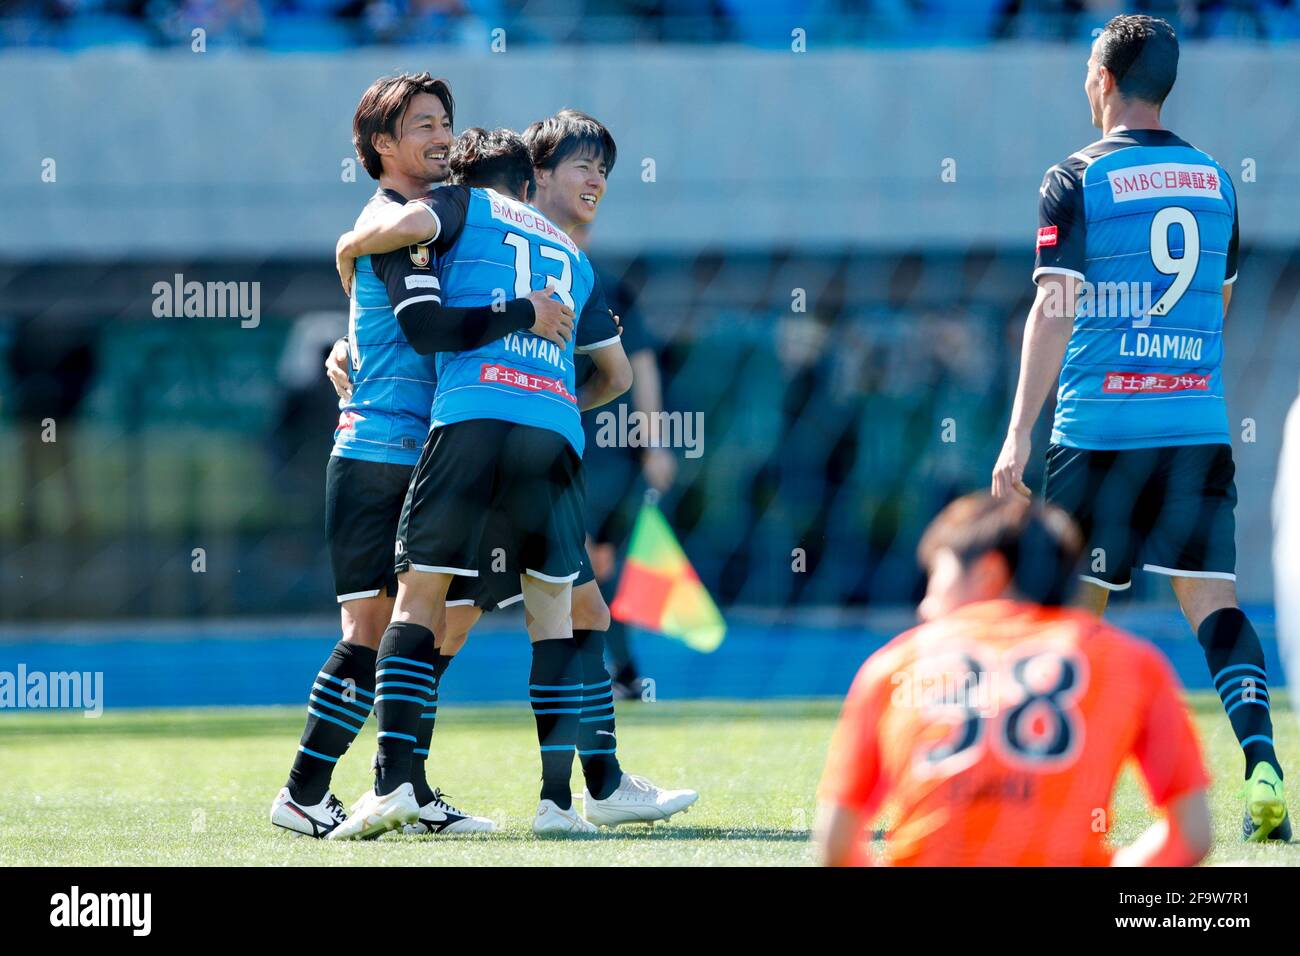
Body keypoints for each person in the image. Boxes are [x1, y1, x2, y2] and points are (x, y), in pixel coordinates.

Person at [331, 112, 698, 829]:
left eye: (604, 172)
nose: (595, 182)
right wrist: (557, 395)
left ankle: (402, 780)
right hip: (548, 438)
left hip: (469, 425)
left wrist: (347, 250)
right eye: (582, 167)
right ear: (536, 176)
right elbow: (618, 374)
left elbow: (402, 245)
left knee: (433, 607)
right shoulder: (572, 256)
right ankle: (559, 799)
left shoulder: (461, 212)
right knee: (548, 615)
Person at [989, 14, 1289, 840]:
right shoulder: (1219, 180)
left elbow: (1054, 309)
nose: (1085, 78)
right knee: (1216, 606)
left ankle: (1055, 792)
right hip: (1194, 427)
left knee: (1071, 622)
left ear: (1107, 79)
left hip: (1098, 431)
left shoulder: (1074, 178)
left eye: (1089, 65)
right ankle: (1263, 765)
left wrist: (1017, 434)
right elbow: (1216, 307)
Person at [270, 74, 569, 838]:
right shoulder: (401, 221)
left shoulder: (420, 223)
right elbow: (431, 329)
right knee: (375, 629)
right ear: (380, 145)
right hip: (383, 450)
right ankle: (313, 791)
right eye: (424, 125)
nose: (442, 136)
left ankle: (403, 782)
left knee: (447, 620)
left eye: (446, 121)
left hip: (423, 448)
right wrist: (524, 312)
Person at [815, 492, 1213, 866]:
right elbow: (1193, 833)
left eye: (937, 576)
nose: (925, 603)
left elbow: (835, 839)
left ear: (989, 573)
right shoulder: (1130, 661)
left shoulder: (896, 664)